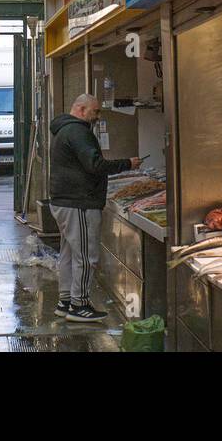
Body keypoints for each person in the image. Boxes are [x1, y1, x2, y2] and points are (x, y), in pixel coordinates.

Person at [48, 94, 139, 323]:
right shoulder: (78, 131)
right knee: (86, 256)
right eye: (95, 112)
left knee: (69, 254)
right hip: (79, 202)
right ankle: (80, 305)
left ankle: (66, 300)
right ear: (81, 109)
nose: (97, 117)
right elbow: (95, 164)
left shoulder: (64, 129)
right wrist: (127, 164)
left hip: (65, 201)